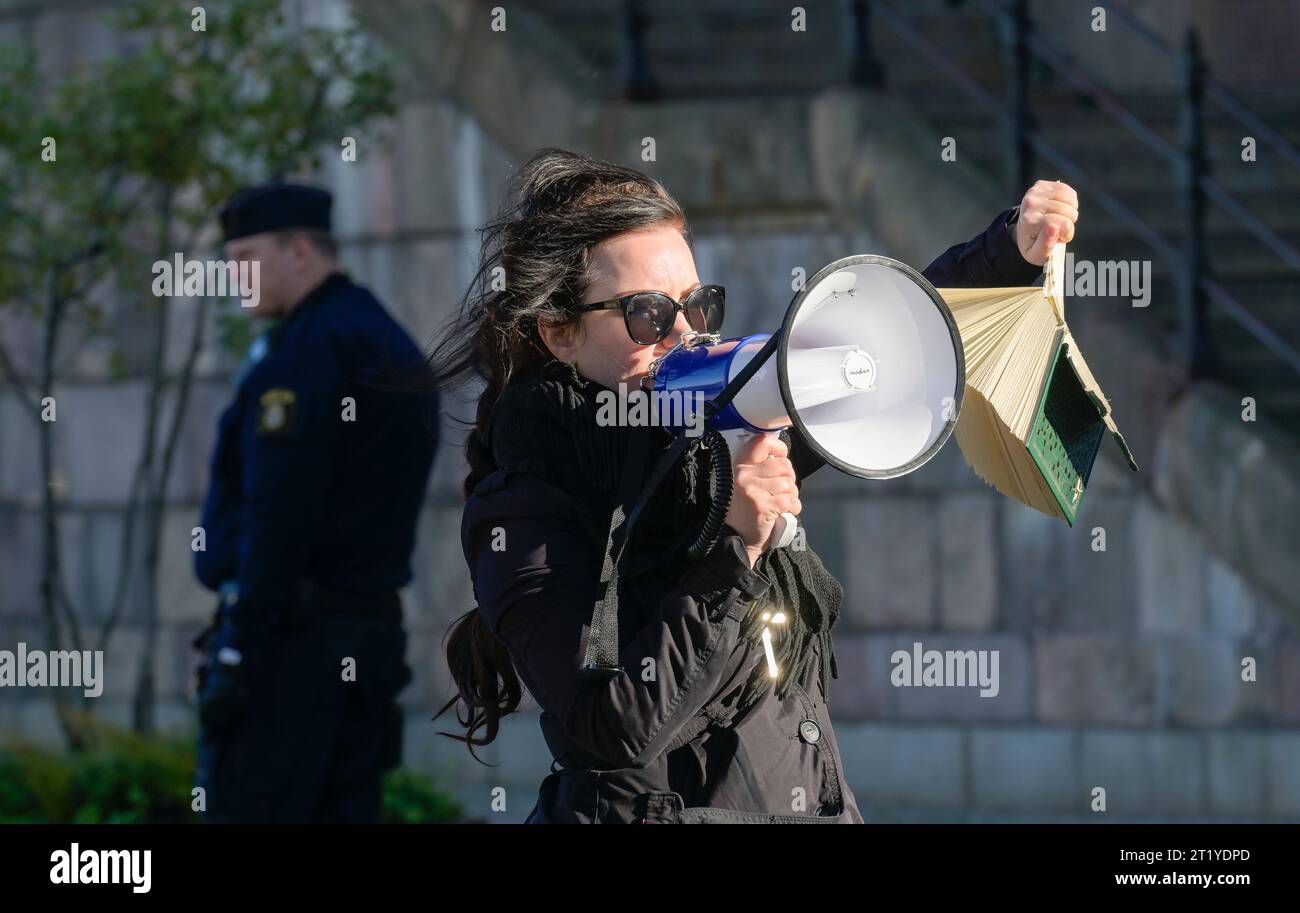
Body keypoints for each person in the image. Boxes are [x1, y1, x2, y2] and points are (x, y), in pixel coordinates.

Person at [430, 149, 1077, 823]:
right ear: (560, 332)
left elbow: (884, 348)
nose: (685, 333)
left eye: (698, 305)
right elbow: (610, 725)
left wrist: (1008, 254)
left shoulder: (709, 439)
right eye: (648, 313)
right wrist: (733, 551)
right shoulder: (523, 501)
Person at [192, 182, 438, 823]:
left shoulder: (308, 352)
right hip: (363, 636)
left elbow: (279, 511)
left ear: (300, 251)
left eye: (245, 256)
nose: (232, 274)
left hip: (292, 655)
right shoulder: (378, 334)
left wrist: (239, 648)